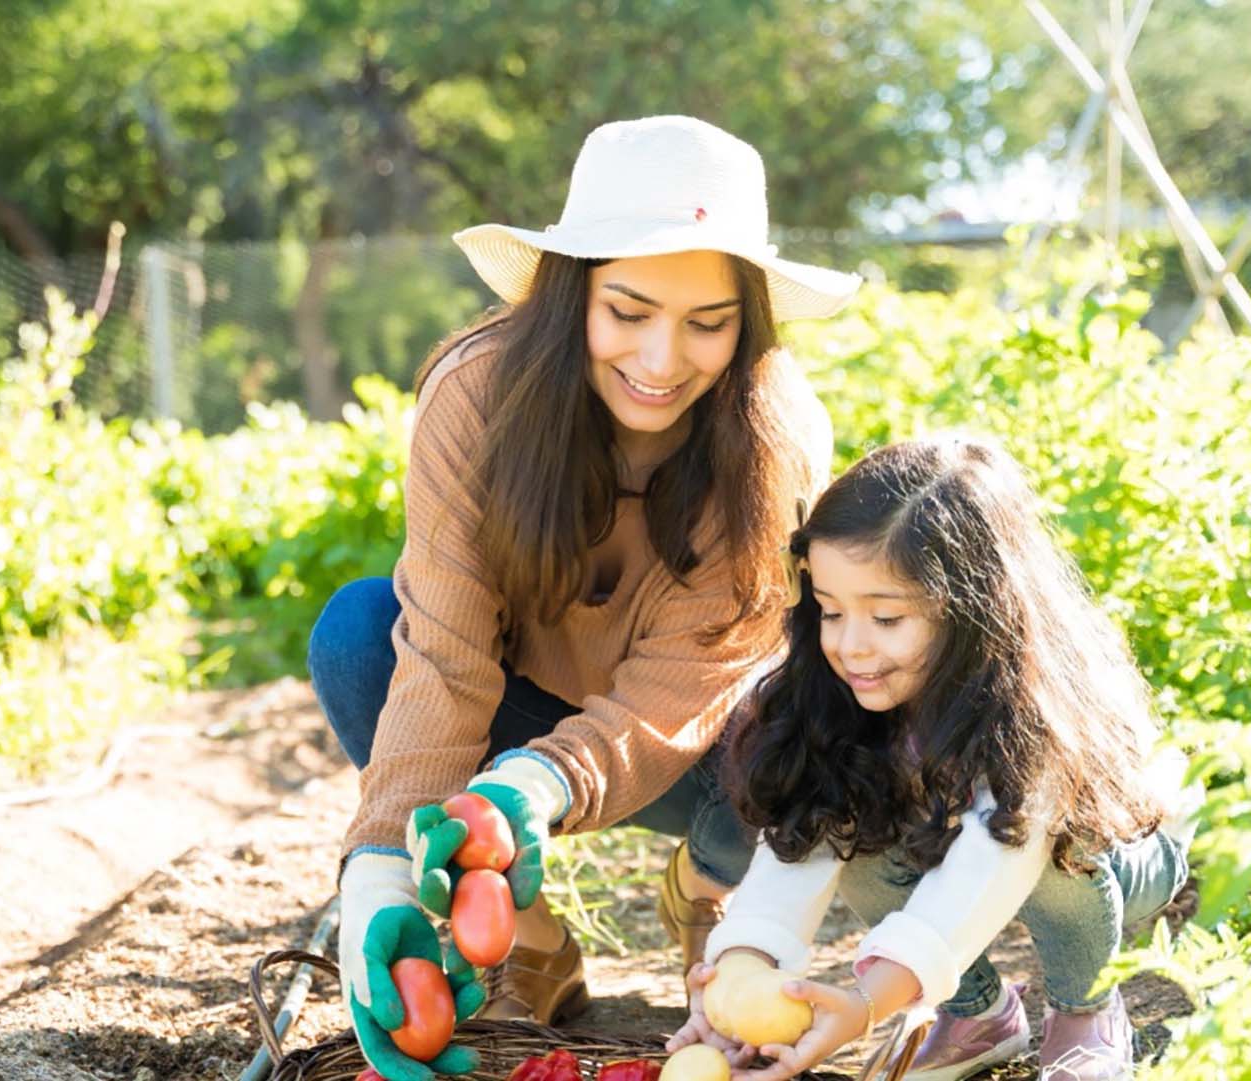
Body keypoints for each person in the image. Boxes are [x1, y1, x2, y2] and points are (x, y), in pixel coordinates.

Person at [309, 115, 861, 1081]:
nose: (661, 359)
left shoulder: (776, 439)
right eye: (629, 308)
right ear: (575, 293)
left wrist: (537, 784)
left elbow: (695, 677)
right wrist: (383, 866)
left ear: (749, 320)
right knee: (359, 635)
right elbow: (444, 649)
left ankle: (713, 886)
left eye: (707, 322)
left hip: (695, 743)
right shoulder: (476, 397)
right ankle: (522, 936)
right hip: (516, 702)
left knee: (809, 697)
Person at [667, 436, 1198, 1081]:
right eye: (831, 612)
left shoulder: (1032, 717)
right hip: (951, 836)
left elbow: (992, 863)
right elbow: (800, 847)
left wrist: (866, 1005)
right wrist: (742, 969)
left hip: (1113, 856)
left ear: (974, 610)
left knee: (1060, 849)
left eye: (886, 619)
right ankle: (977, 1014)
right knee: (858, 831)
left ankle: (1085, 1011)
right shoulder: (840, 699)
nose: (851, 646)